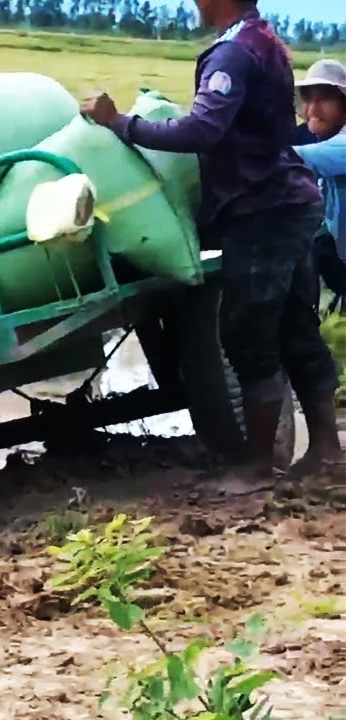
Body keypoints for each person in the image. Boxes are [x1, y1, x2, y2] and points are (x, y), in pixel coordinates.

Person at [79, 0, 342, 480]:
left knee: (247, 335)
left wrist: (120, 123)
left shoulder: (233, 52)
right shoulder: (264, 39)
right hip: (287, 202)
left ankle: (259, 467)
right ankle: (326, 449)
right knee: (294, 327)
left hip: (261, 210)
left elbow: (204, 128)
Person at [292, 59, 346, 314]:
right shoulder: (314, 135)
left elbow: (292, 157)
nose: (313, 109)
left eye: (325, 99)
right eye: (308, 100)